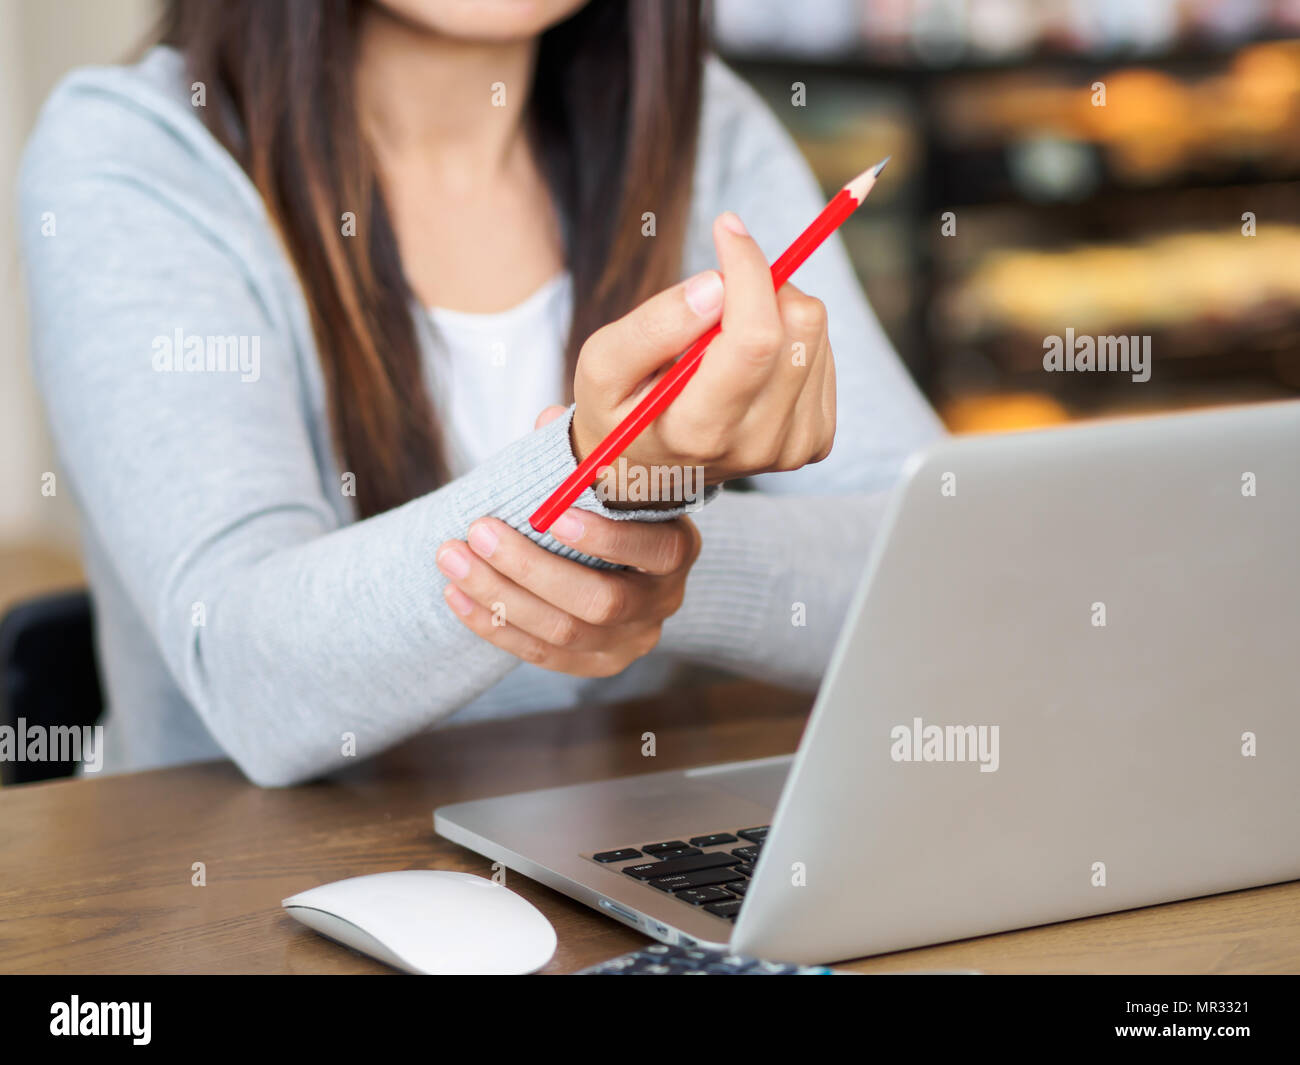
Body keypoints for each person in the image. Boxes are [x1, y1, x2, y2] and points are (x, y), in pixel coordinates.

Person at [18, 0, 942, 786]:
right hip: (253, 903)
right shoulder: (133, 154)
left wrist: (639, 529)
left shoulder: (702, 131)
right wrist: (604, 494)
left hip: (612, 874)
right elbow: (255, 675)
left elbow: (941, 570)